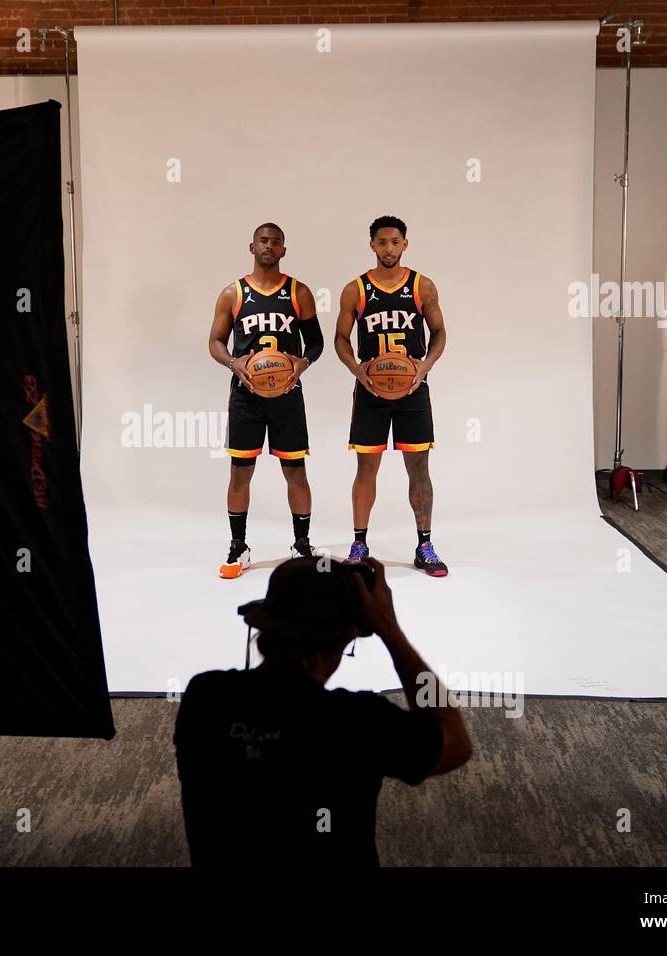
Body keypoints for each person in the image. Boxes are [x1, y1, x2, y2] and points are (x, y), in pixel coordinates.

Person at [173, 556, 472, 867]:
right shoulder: (358, 723)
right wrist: (389, 628)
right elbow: (455, 742)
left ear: (266, 625)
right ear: (347, 635)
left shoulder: (205, 698)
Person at [334, 215, 449, 575]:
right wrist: (358, 371)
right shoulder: (356, 289)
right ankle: (359, 543)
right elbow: (340, 339)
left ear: (405, 244)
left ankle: (425, 545)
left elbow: (440, 332)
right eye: (381, 242)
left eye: (394, 242)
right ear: (371, 245)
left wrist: (424, 367)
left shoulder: (422, 286)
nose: (388, 248)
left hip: (412, 391)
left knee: (419, 467)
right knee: (366, 467)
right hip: (370, 391)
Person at [208, 223, 324, 578]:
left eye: (276, 242)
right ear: (252, 246)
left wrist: (303, 363)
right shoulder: (233, 293)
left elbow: (315, 343)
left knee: (295, 470)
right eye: (263, 240)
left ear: (284, 250)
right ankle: (238, 547)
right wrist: (233, 361)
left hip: (287, 396)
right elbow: (215, 341)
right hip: (246, 395)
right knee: (240, 471)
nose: (269, 246)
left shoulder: (298, 292)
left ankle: (301, 545)